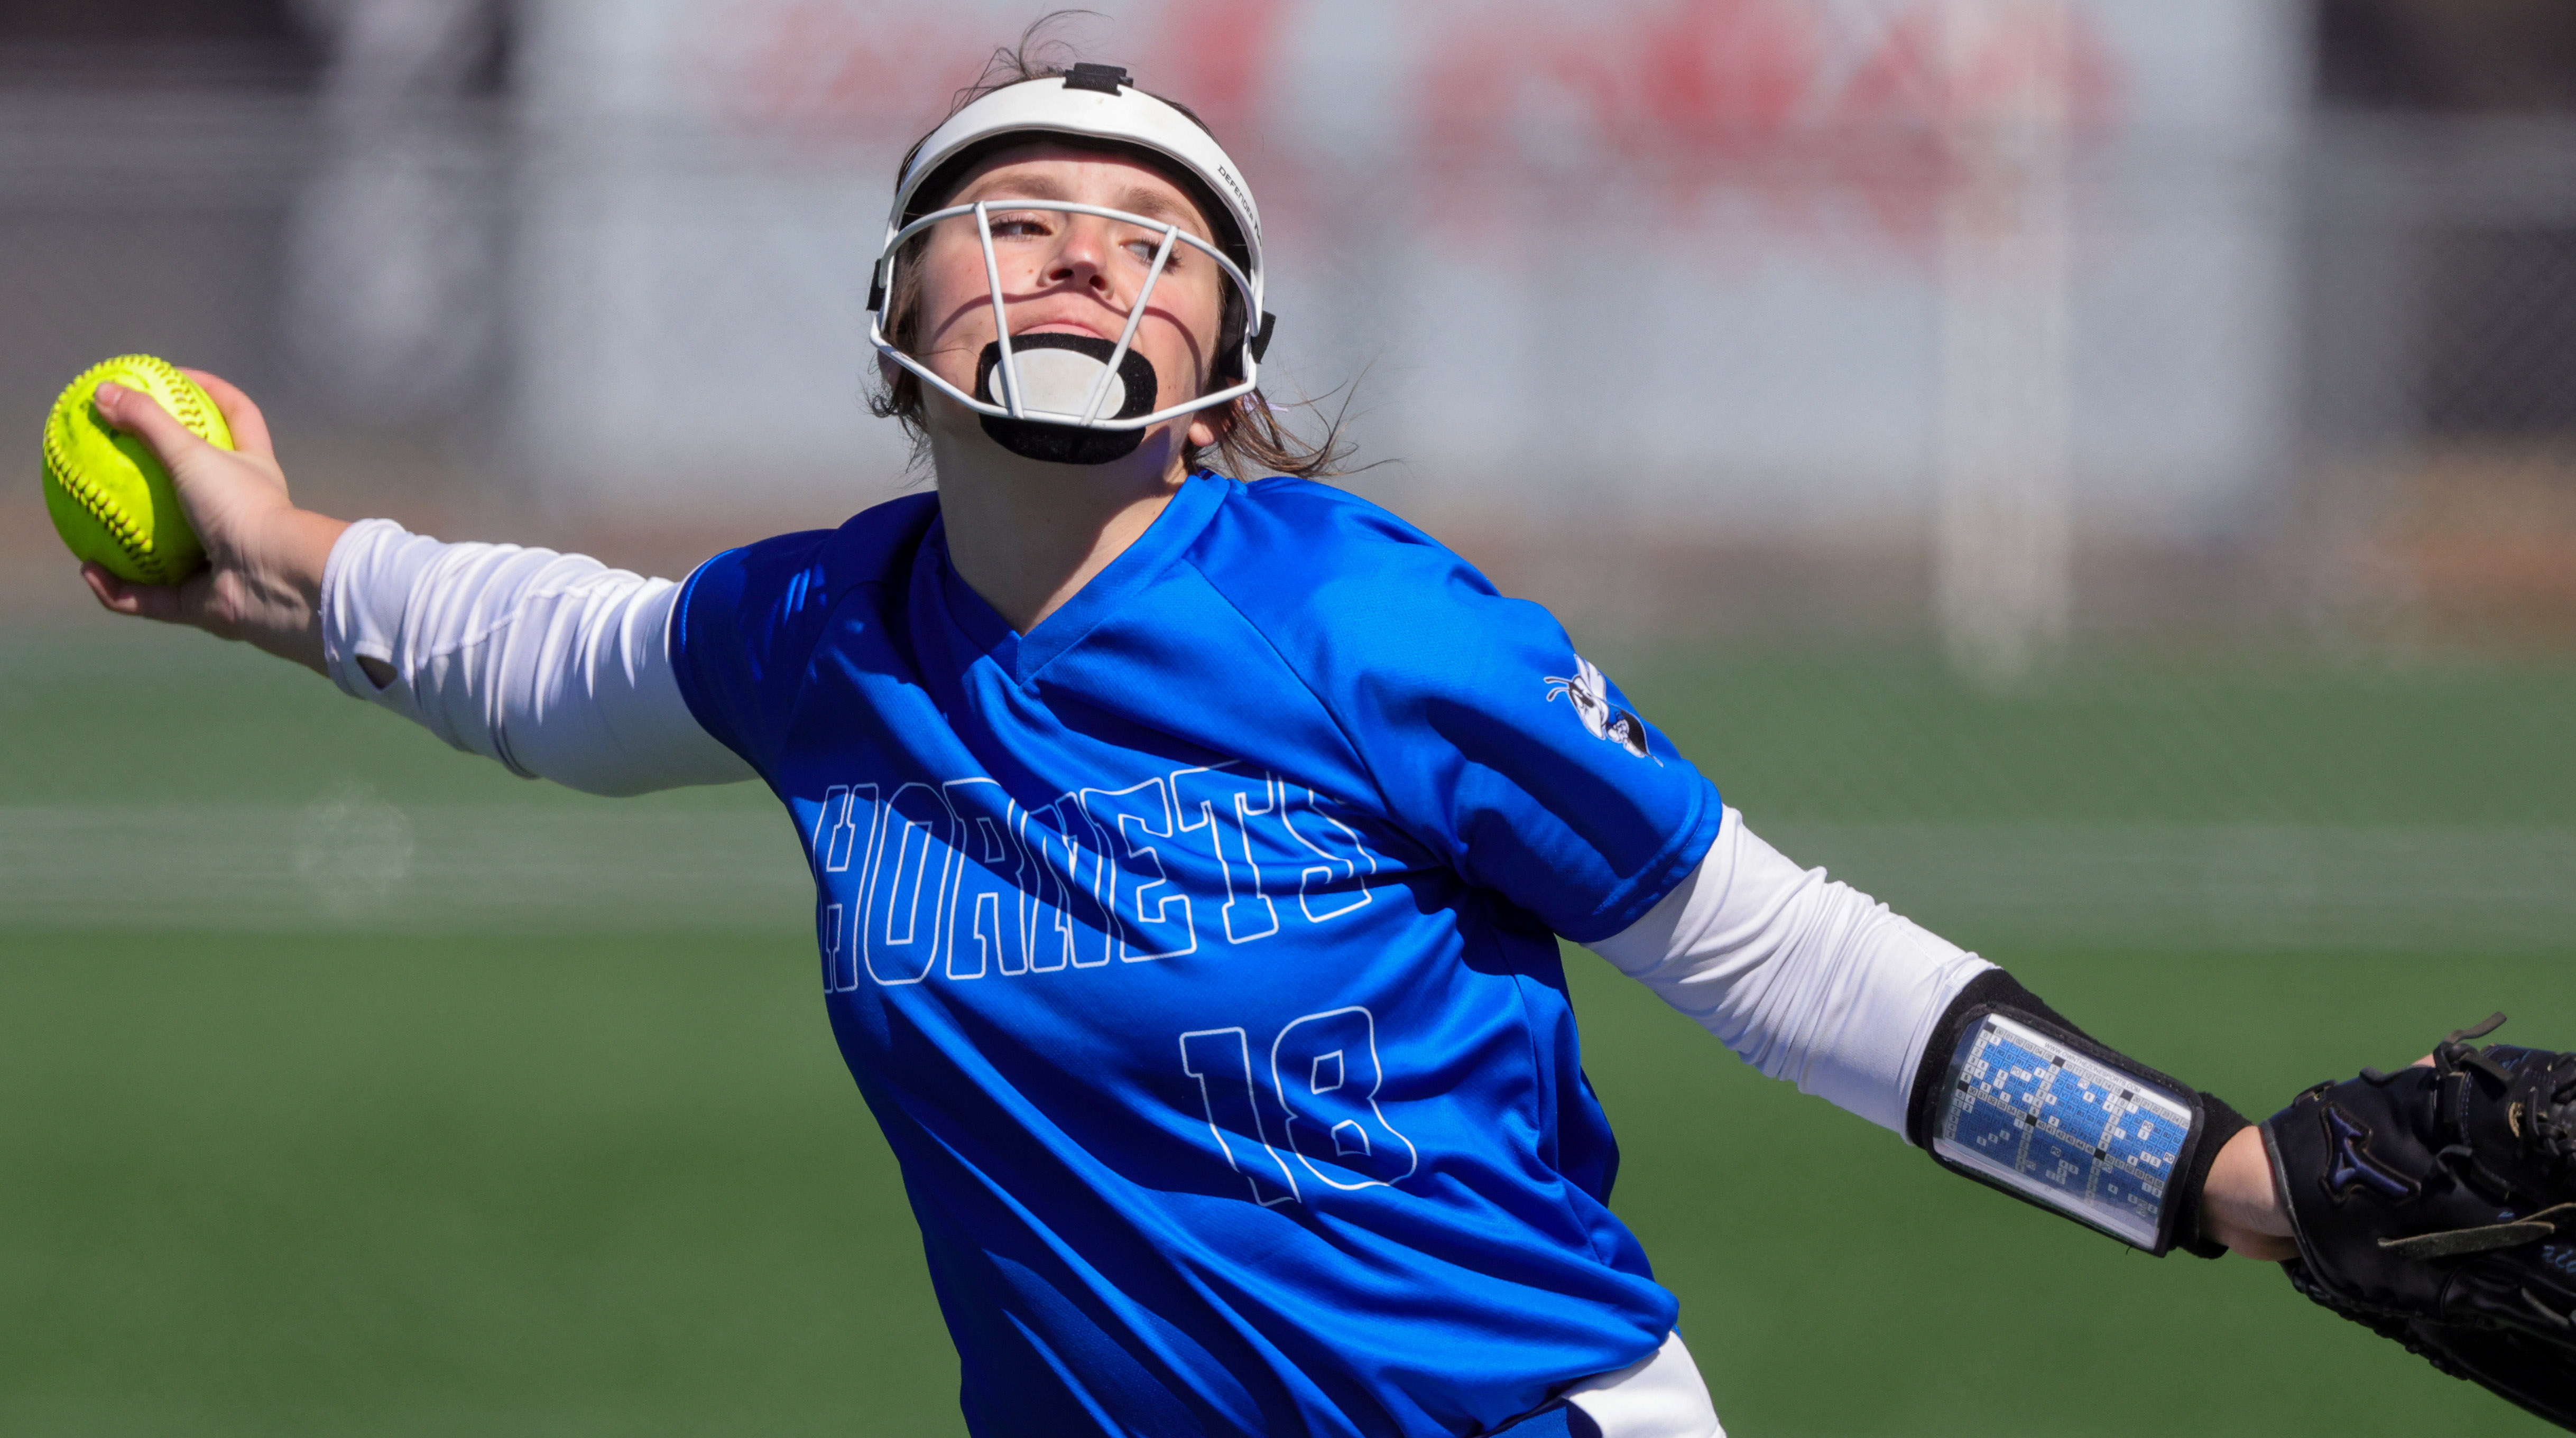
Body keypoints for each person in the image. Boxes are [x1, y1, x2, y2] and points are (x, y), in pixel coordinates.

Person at [78, 41, 2301, 1438]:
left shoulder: (1355, 620)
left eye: (1151, 240)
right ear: (898, 312)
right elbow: (547, 662)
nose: (1075, 263)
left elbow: (1772, 956)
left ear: (1230, 357)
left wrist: (2199, 1179)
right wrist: (264, 562)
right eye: (1014, 220)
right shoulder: (823, 633)